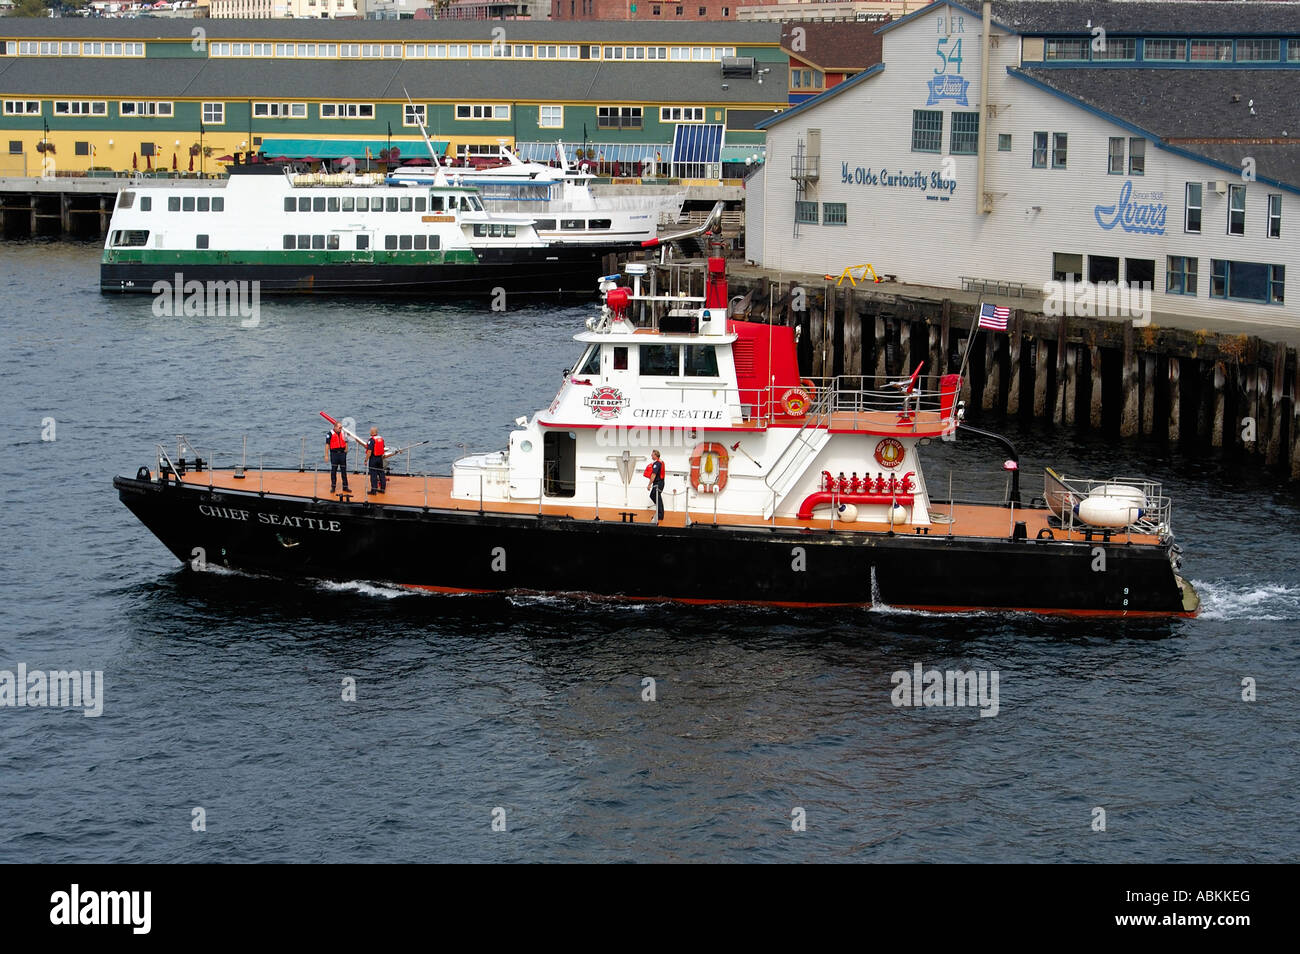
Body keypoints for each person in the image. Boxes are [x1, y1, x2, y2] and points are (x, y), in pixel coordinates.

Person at [325, 421, 350, 494]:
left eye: (341, 427)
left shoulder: (343, 433)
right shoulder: (330, 434)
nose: (340, 429)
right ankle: (333, 487)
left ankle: (345, 487)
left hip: (342, 453)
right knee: (334, 471)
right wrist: (326, 455)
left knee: (344, 471)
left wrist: (346, 450)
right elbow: (327, 445)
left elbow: (346, 442)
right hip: (334, 454)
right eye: (339, 427)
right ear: (335, 427)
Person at [644, 449, 665, 522]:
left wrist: (649, 485)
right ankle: (660, 514)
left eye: (652, 455)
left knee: (655, 497)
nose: (651, 456)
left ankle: (660, 515)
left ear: (656, 456)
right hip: (658, 483)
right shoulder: (658, 462)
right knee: (655, 497)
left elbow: (653, 475)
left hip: (658, 483)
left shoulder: (657, 464)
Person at [366, 427, 387, 495]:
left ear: (372, 432)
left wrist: (366, 460)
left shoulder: (371, 440)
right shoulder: (381, 439)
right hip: (380, 458)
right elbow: (383, 447)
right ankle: (383, 488)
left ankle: (374, 490)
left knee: (373, 474)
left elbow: (369, 451)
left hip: (373, 458)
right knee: (381, 473)